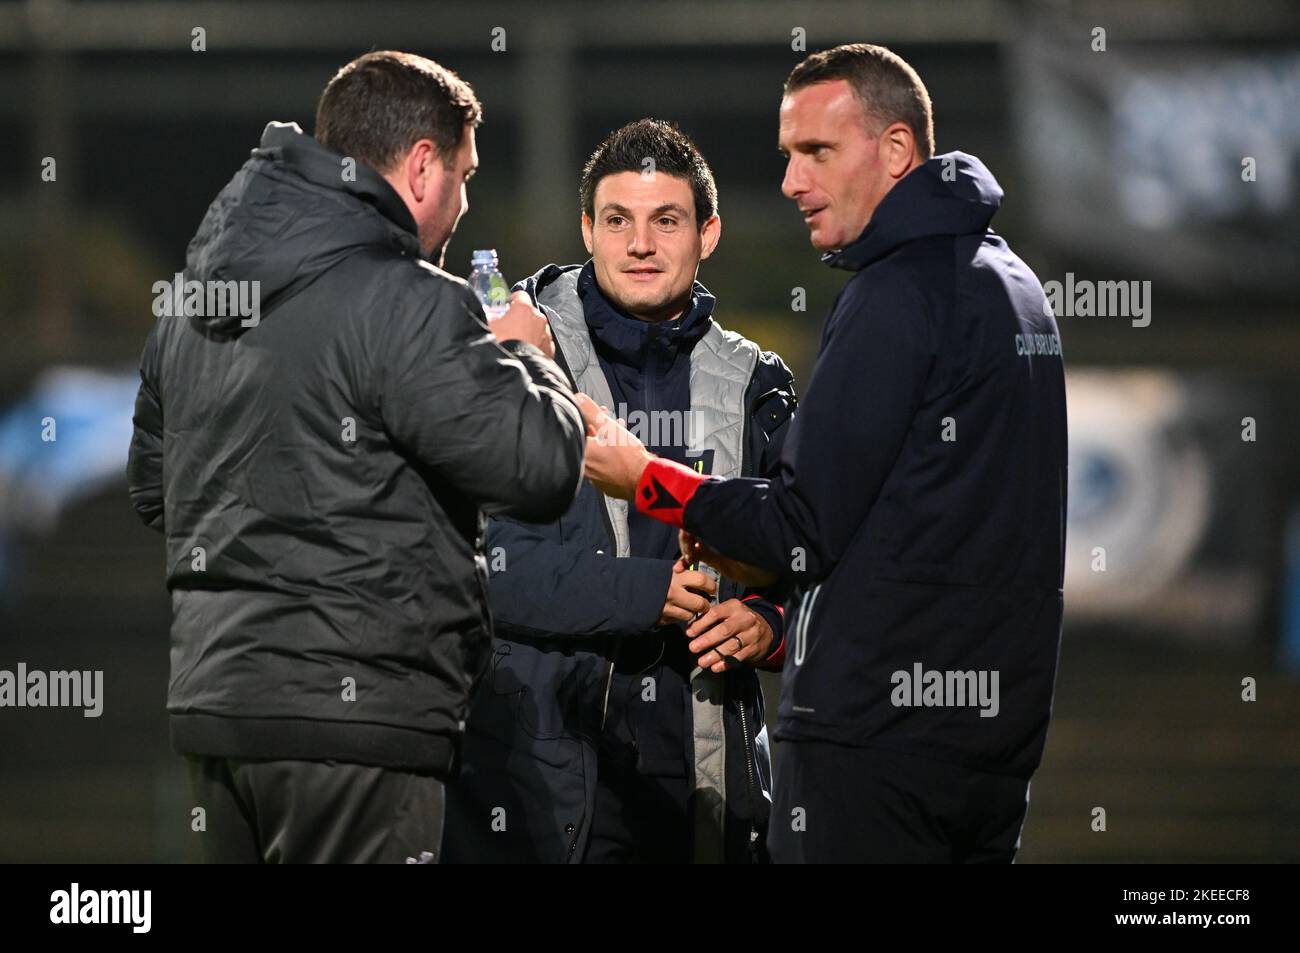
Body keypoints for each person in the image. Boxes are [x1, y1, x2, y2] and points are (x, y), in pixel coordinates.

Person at [581, 44, 1067, 863]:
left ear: (898, 150)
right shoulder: (1013, 284)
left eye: (816, 152)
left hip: (874, 749)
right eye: (787, 156)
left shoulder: (896, 293)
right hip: (990, 748)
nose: (791, 182)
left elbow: (802, 524)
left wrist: (651, 480)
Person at [126, 50, 585, 863]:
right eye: (464, 174)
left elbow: (158, 493)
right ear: (419, 168)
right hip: (360, 723)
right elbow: (539, 464)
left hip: (216, 715)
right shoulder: (409, 301)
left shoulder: (193, 304)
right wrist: (527, 356)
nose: (466, 201)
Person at [442, 120, 798, 863]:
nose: (640, 244)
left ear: (710, 233)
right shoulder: (513, 351)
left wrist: (771, 618)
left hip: (707, 793)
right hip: (541, 794)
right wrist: (644, 592)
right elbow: (480, 573)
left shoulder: (756, 384)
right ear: (587, 229)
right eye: (617, 220)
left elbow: (805, 549)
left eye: (666, 220)